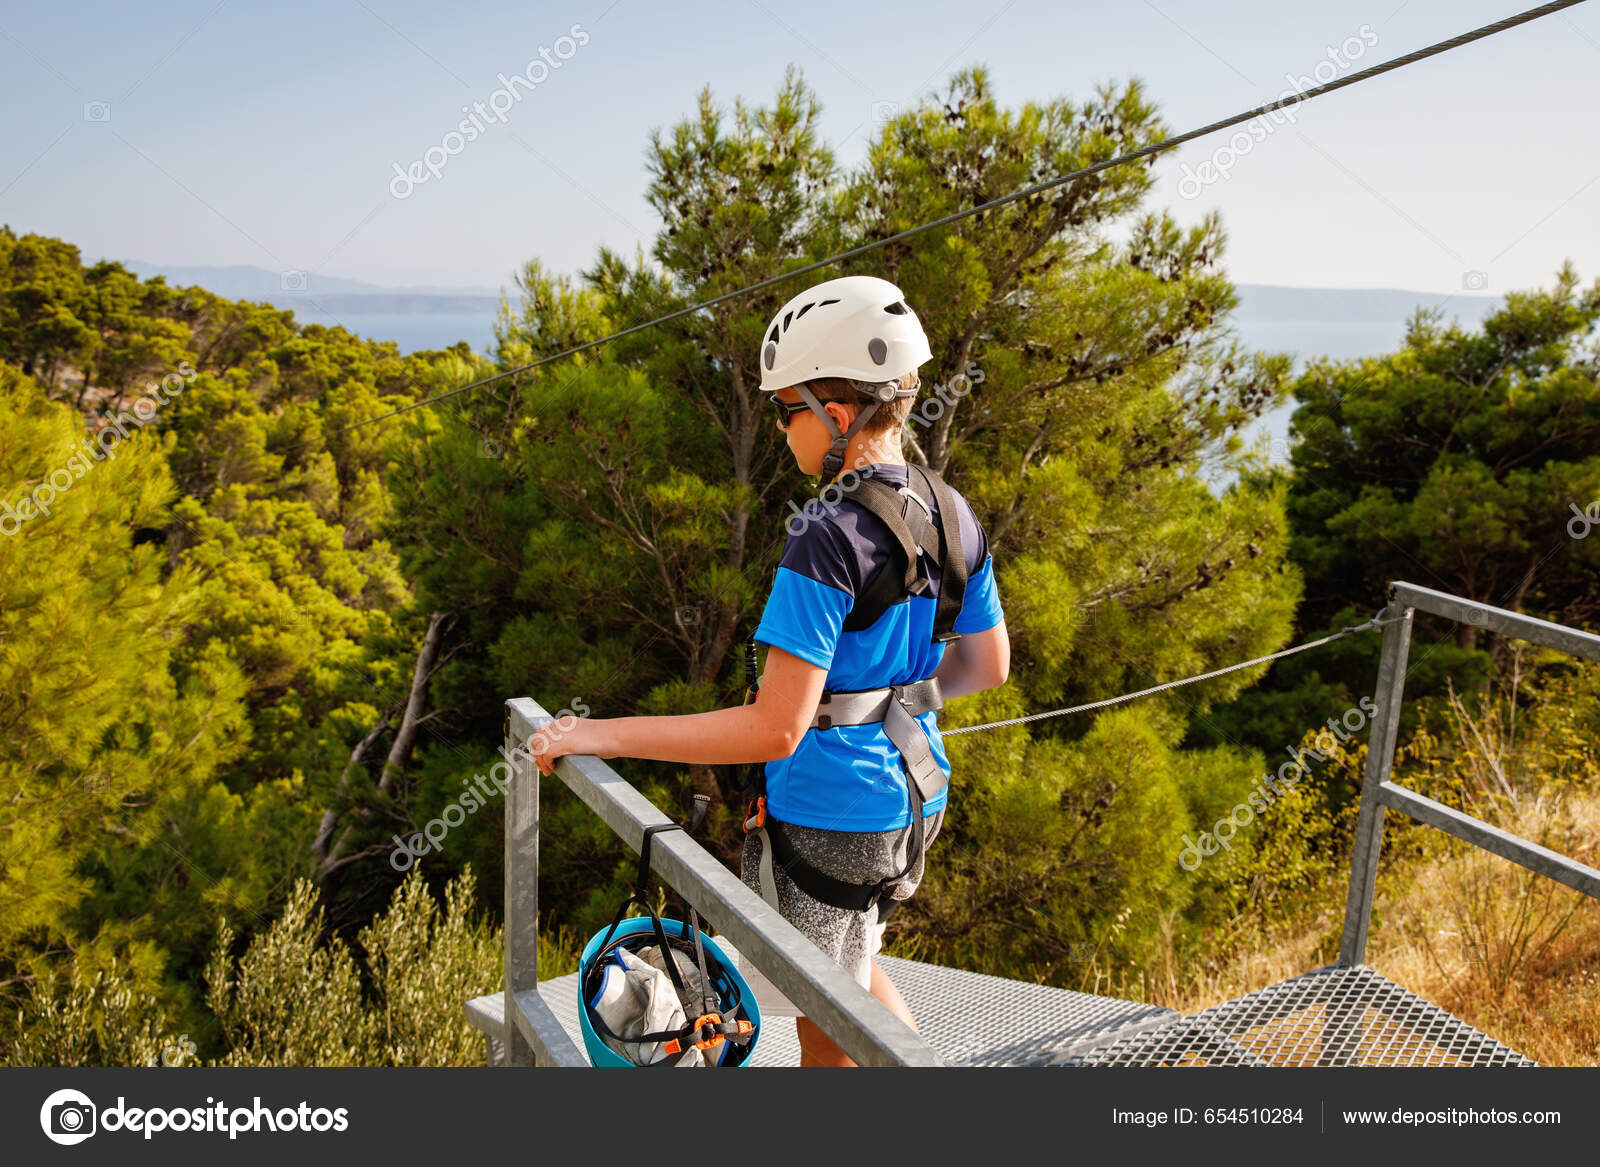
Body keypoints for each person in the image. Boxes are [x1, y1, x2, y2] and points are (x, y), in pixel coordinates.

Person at [529, 274, 1009, 1066]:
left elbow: (775, 728)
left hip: (834, 815)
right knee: (852, 966)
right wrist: (893, 704)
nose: (785, 429)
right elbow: (986, 664)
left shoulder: (827, 534)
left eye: (788, 410)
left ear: (837, 414)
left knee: (826, 1016)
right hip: (916, 800)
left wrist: (602, 732)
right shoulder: (953, 508)